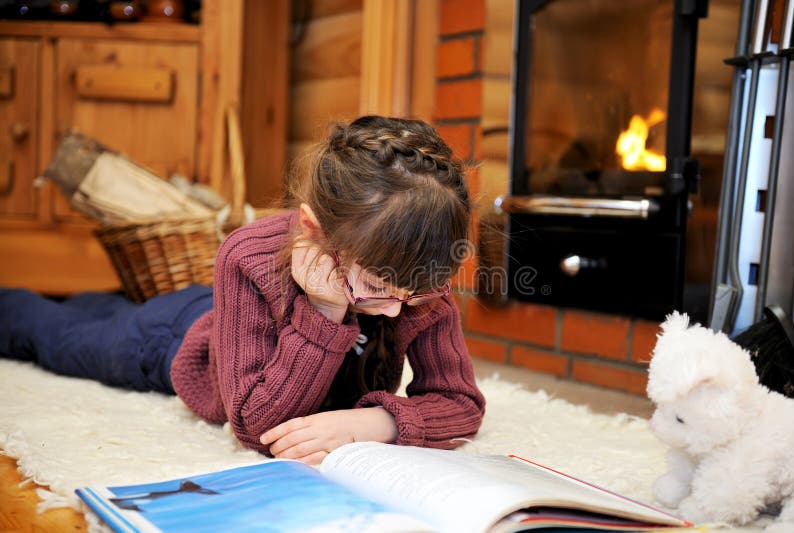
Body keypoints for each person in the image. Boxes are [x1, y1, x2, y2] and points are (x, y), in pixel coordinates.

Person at [0, 116, 486, 465]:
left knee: (104, 308)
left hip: (211, 314)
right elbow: (255, 426)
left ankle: (107, 304)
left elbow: (460, 404)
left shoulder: (415, 278)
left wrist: (375, 424)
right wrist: (322, 307)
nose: (398, 308)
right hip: (176, 339)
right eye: (378, 287)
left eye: (419, 292)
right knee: (57, 334)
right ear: (314, 232)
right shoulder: (247, 255)